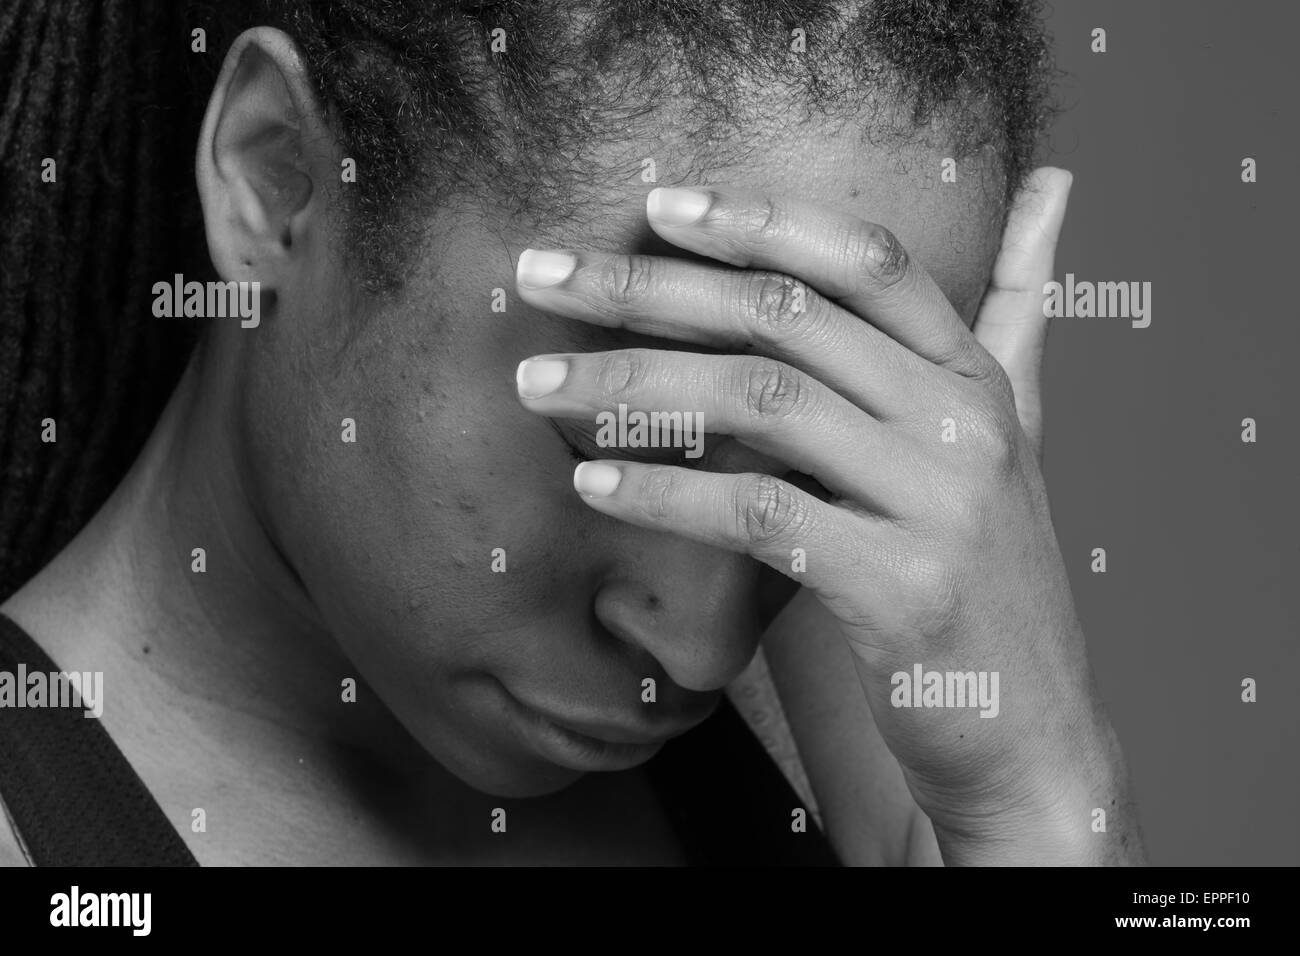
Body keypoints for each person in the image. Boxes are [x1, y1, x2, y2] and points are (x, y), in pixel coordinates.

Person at [0, 0, 1144, 865]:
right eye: (631, 433)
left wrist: (1038, 796)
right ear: (279, 176)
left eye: (821, 460)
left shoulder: (857, 698)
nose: (701, 651)